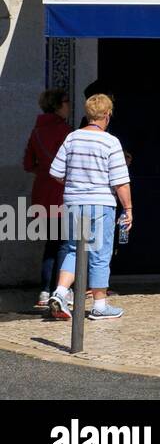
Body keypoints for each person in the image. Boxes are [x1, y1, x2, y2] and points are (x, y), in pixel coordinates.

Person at [46, 94, 132, 321]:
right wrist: (129, 209)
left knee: (75, 250)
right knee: (100, 254)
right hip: (101, 204)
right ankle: (100, 306)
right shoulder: (111, 142)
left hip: (74, 203)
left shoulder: (72, 137)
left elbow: (55, 172)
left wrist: (75, 184)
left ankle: (60, 292)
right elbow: (120, 181)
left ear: (87, 114)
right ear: (107, 115)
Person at [24, 89, 73, 311]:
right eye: (66, 102)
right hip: (62, 194)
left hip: (42, 194)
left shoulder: (36, 131)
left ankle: (44, 291)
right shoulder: (65, 131)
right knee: (64, 244)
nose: (69, 105)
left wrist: (44, 171)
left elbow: (27, 164)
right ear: (56, 105)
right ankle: (60, 290)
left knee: (51, 245)